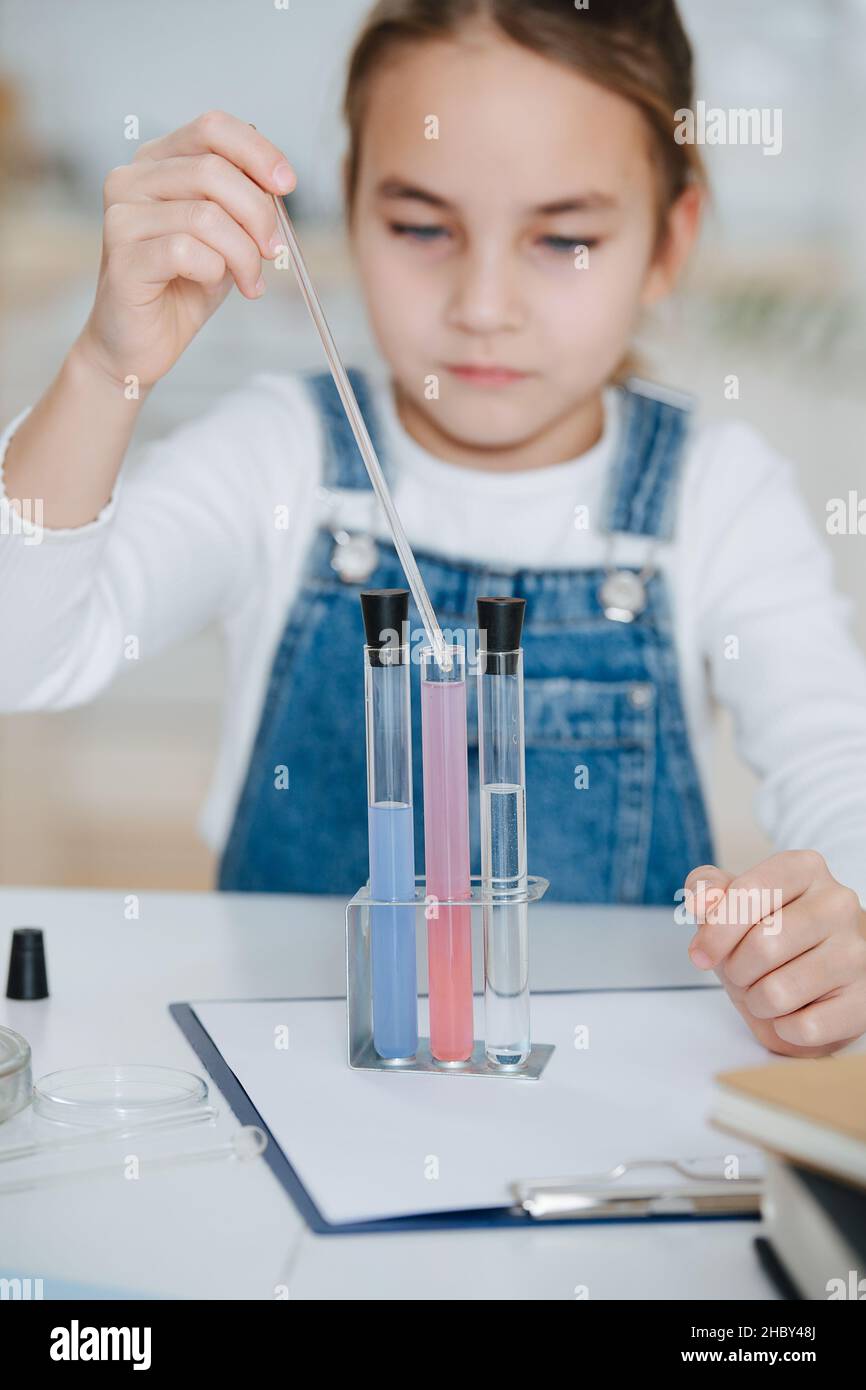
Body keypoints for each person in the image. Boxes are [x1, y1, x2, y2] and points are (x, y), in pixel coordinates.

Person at [1, 0, 865, 1057]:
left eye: (563, 238)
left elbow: (837, 765)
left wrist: (837, 922)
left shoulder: (715, 495)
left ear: (665, 242)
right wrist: (103, 369)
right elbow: (21, 656)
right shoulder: (280, 452)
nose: (482, 302)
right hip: (293, 1086)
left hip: (600, 1114)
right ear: (344, 211)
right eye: (421, 226)